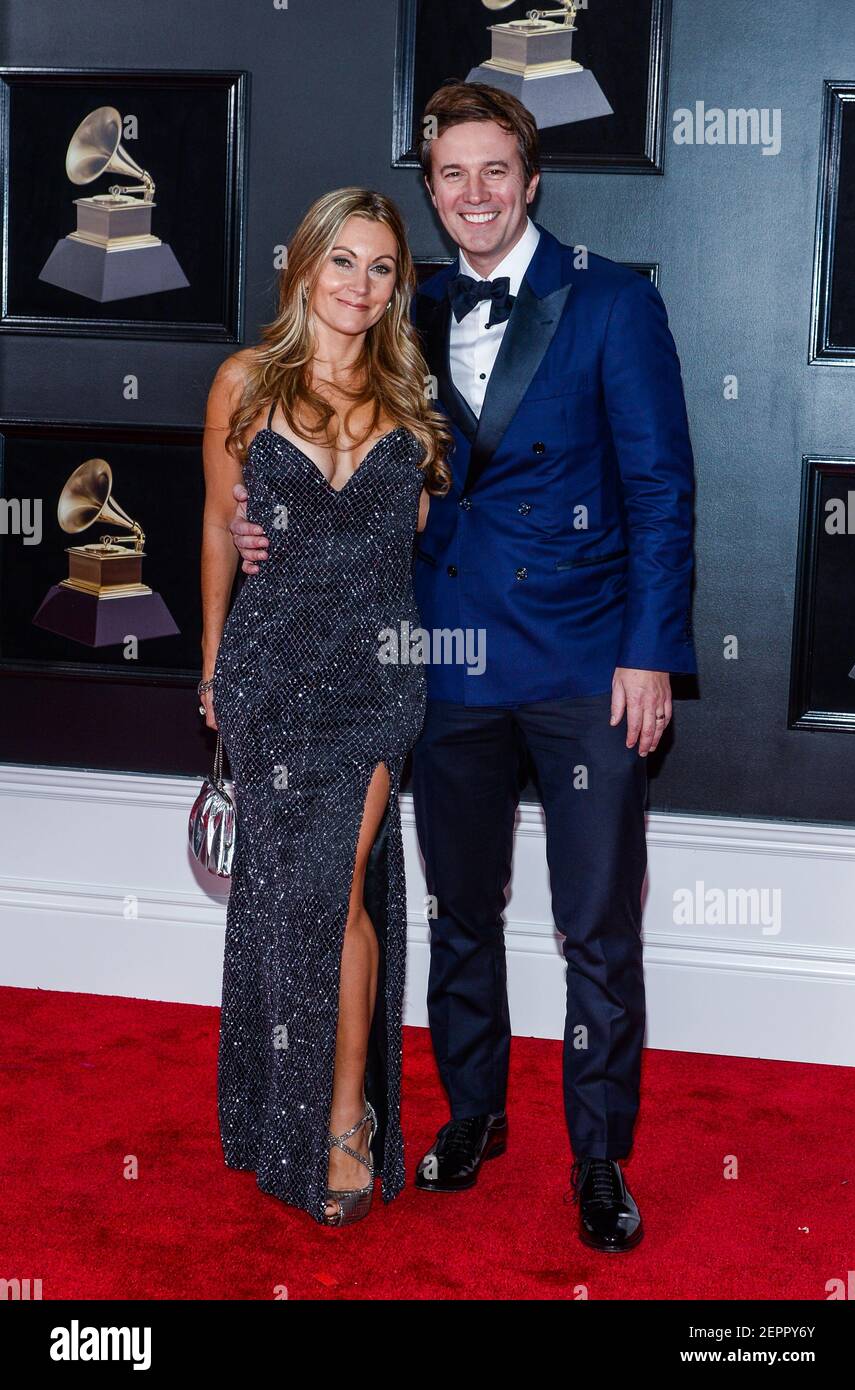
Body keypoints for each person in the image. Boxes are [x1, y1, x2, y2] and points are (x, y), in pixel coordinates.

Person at [228, 83, 697, 1253]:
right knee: (459, 908)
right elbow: (339, 459)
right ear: (431, 190)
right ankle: (472, 1113)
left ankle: (597, 1158)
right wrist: (259, 532)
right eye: (451, 174)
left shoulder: (612, 299)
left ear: (531, 181)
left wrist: (650, 653)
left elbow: (658, 490)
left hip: (585, 662)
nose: (474, 193)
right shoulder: (404, 308)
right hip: (438, 659)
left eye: (496, 171)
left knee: (595, 925)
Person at [199, 186, 450, 1226]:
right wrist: (213, 662)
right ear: (303, 267)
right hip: (267, 673)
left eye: (381, 266)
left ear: (397, 285)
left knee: (338, 884)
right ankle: (276, 1108)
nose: (359, 283)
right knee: (284, 895)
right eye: (341, 261)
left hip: (377, 679)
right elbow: (221, 527)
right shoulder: (244, 385)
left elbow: (419, 541)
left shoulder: (412, 401)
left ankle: (345, 1119)